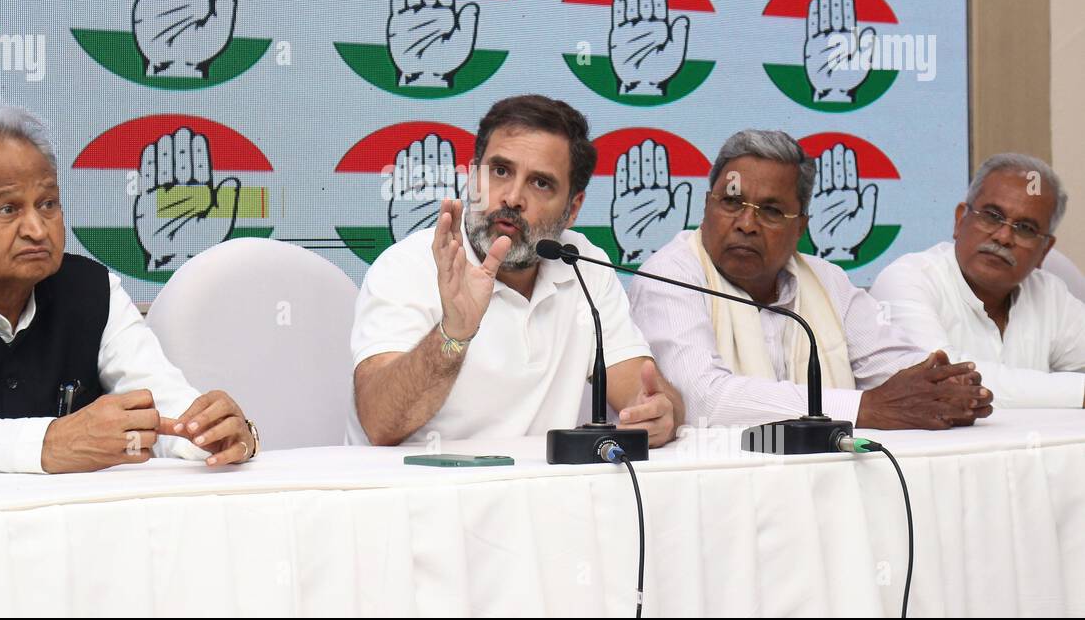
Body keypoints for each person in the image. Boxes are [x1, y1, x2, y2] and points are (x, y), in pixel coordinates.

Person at [0, 104, 259, 472]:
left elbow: (166, 413)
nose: (36, 228)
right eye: (8, 208)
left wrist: (213, 436)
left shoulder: (92, 290)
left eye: (48, 204)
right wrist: (46, 444)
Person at [349, 94, 683, 446]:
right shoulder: (407, 267)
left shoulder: (583, 265)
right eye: (500, 171)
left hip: (536, 495)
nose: (512, 197)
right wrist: (453, 334)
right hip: (418, 493)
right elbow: (379, 423)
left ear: (572, 209)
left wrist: (663, 413)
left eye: (540, 183)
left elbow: (644, 394)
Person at [627, 129, 993, 429]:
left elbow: (896, 372)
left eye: (770, 211)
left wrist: (946, 389)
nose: (746, 224)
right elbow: (702, 399)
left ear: (800, 226)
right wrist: (862, 409)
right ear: (707, 205)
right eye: (731, 202)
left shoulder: (826, 281)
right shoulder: (670, 276)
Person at [872, 153, 1085, 408]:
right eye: (992, 216)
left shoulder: (1050, 294)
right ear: (960, 219)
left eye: (1026, 228)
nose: (1004, 237)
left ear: (1045, 251)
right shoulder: (907, 279)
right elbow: (943, 382)